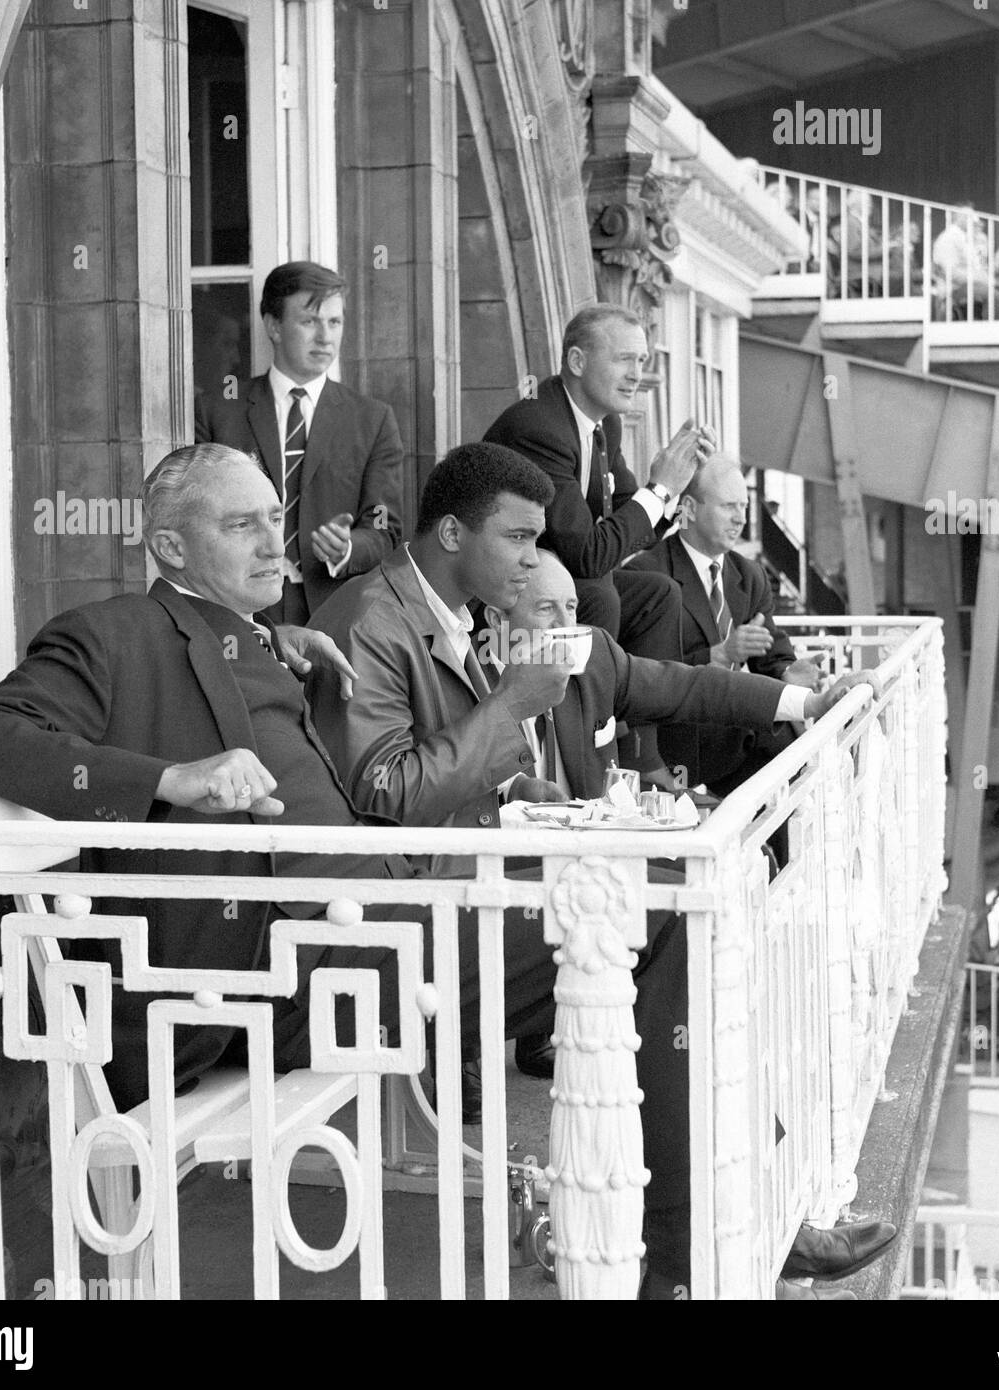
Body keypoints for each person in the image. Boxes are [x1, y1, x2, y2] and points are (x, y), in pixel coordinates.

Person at [308, 444, 892, 1298]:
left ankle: (727, 1224)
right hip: (395, 934)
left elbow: (676, 687)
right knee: (657, 928)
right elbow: (384, 789)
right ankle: (694, 1247)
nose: (529, 565)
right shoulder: (371, 618)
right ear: (448, 533)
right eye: (516, 540)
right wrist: (511, 710)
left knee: (675, 938)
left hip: (462, 899)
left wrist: (520, 787)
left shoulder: (450, 612)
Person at [483, 304, 715, 790]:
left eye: (643, 360)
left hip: (563, 582)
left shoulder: (601, 424)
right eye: (625, 360)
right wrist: (660, 491)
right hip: (506, 595)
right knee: (601, 592)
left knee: (658, 593)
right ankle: (592, 750)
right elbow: (588, 552)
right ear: (577, 360)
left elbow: (633, 516)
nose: (638, 375)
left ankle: (644, 756)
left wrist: (672, 482)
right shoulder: (540, 427)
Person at [195, 260, 404, 625]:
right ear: (274, 326)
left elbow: (385, 529)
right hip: (237, 608)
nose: (325, 337)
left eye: (334, 322)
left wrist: (348, 547)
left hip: (334, 611)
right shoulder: (217, 410)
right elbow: (197, 516)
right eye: (310, 321)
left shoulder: (372, 419)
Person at [628, 457, 823, 797]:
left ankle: (775, 850)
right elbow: (639, 676)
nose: (740, 519)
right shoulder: (648, 574)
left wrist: (788, 674)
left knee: (796, 758)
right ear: (689, 507)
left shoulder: (748, 575)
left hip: (727, 736)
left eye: (744, 506)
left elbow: (772, 656)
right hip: (672, 741)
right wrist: (717, 655)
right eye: (728, 507)